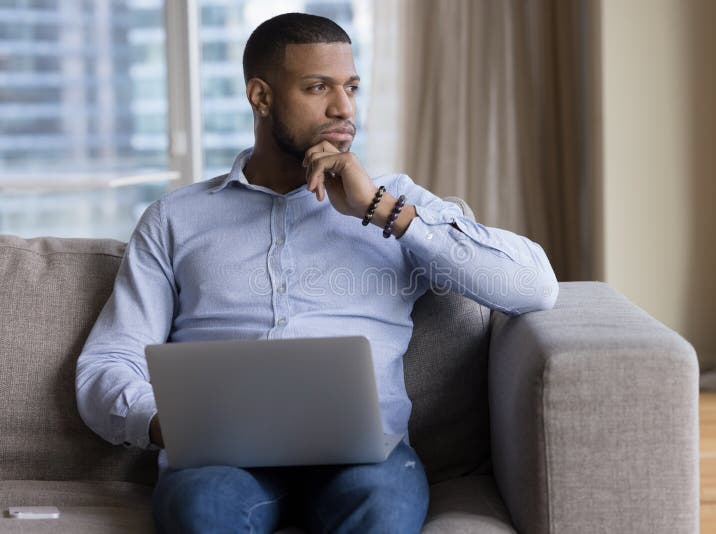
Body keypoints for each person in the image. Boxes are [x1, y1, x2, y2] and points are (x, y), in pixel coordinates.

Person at [75, 12, 558, 534]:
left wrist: (380, 208)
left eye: (350, 86)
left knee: (381, 514)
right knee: (201, 511)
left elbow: (533, 287)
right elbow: (108, 361)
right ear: (261, 97)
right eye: (317, 87)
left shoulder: (392, 201)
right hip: (222, 462)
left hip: (367, 462)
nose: (343, 107)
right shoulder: (175, 219)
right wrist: (168, 422)